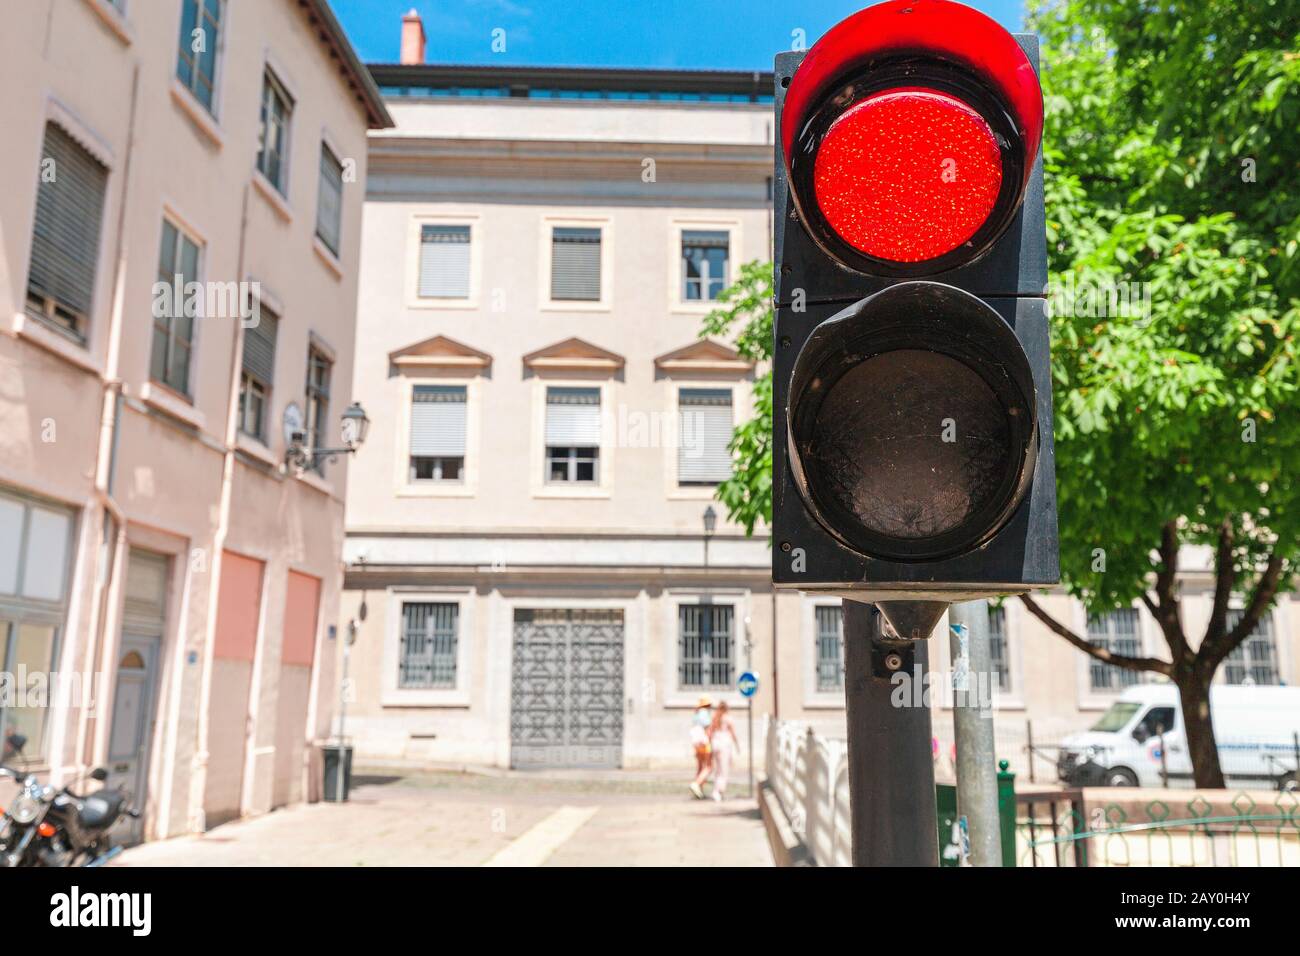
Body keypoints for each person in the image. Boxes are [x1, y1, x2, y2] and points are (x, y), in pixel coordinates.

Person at [707, 701, 739, 802]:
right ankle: (718, 791)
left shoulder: (715, 717)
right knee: (724, 770)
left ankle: (716, 790)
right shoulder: (727, 718)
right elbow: (732, 732)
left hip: (715, 744)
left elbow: (710, 732)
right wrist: (737, 745)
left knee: (718, 770)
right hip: (724, 744)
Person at [688, 695, 713, 799]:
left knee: (700, 767)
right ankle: (697, 784)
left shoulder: (696, 714)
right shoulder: (705, 713)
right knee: (708, 767)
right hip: (704, 744)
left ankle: (699, 791)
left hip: (696, 744)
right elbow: (708, 729)